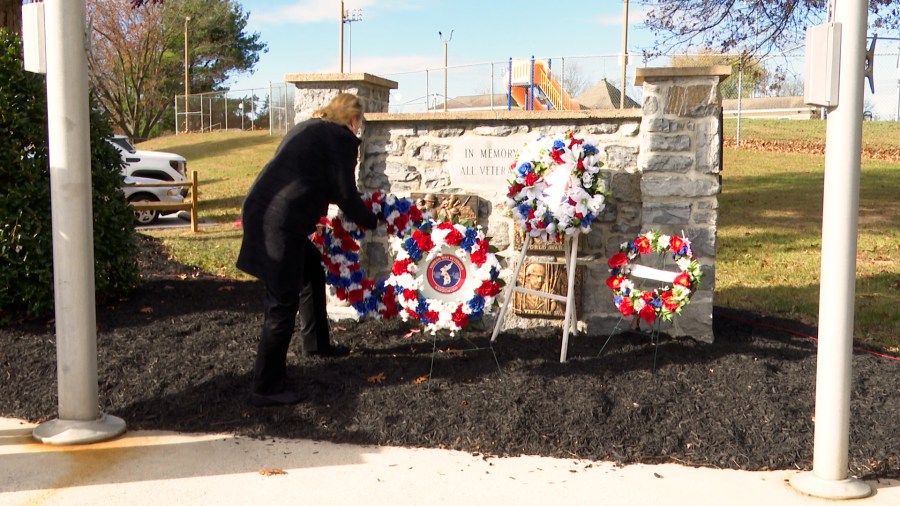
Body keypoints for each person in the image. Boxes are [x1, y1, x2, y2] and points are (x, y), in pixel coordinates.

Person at [236, 93, 378, 407]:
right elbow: (345, 194)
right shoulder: (340, 140)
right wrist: (373, 219)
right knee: (281, 302)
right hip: (279, 223)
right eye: (360, 122)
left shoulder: (309, 128)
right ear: (353, 119)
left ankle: (316, 344)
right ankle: (266, 387)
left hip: (263, 210)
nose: (359, 128)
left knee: (311, 268)